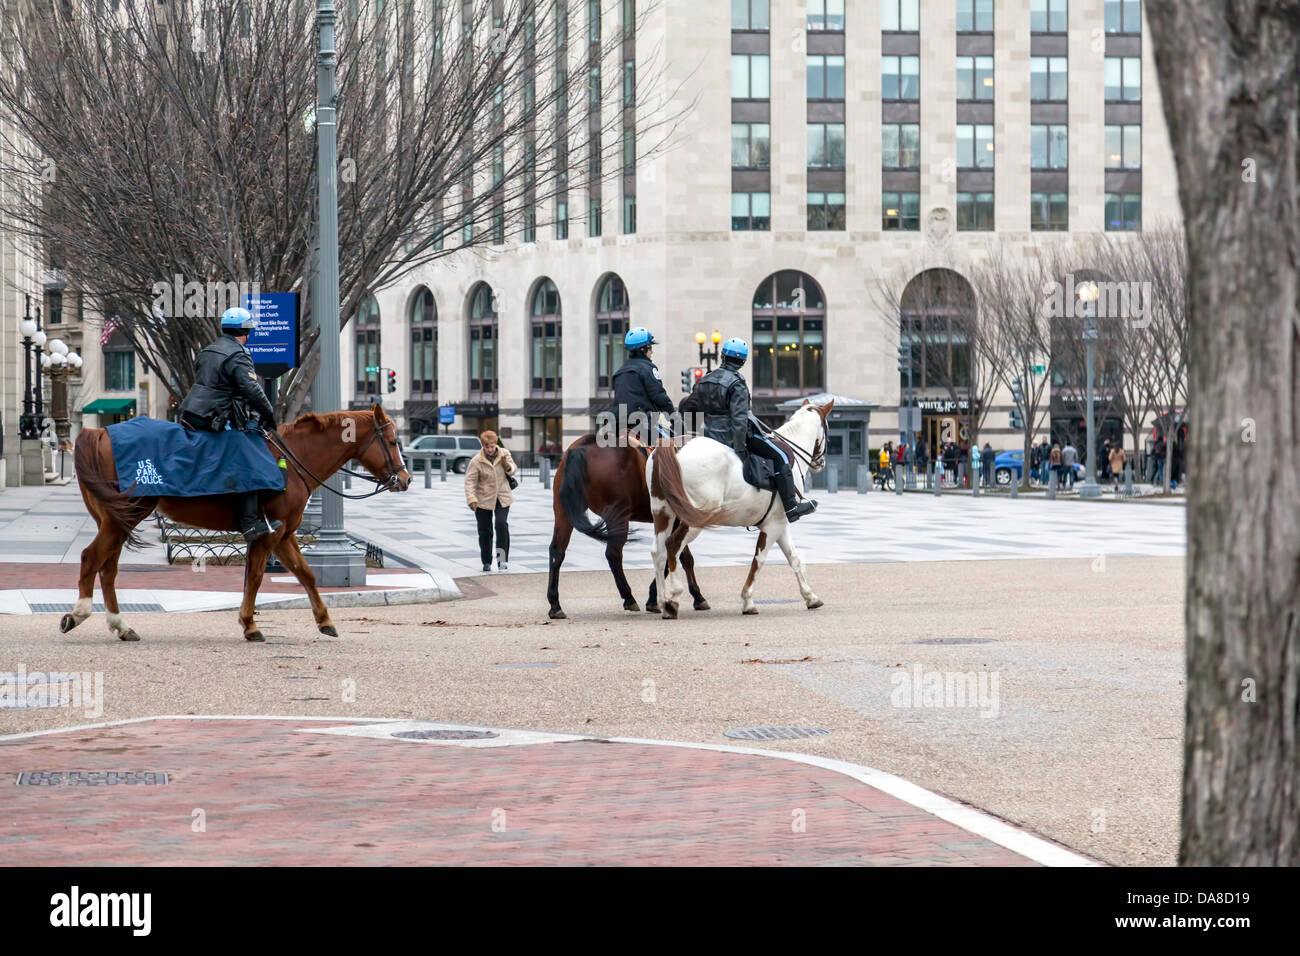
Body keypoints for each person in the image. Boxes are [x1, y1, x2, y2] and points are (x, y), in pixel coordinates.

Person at [682, 337, 817, 522]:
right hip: (732, 436)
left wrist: (695, 433)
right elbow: (739, 419)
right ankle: (792, 507)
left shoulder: (704, 381)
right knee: (781, 456)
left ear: (722, 356)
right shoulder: (737, 383)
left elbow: (689, 407)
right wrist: (740, 448)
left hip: (708, 434)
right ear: (743, 361)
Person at [177, 306, 282, 543]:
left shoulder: (207, 351)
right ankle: (249, 524)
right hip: (215, 417)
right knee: (250, 458)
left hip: (192, 413)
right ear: (246, 332)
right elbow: (251, 388)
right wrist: (269, 413)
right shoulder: (238, 353)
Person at [464, 430, 517, 572]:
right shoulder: (476, 460)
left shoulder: (504, 453)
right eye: (487, 447)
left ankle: (502, 561)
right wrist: (471, 498)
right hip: (483, 499)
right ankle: (486, 561)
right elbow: (470, 481)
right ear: (483, 446)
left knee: (501, 525)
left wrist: (507, 465)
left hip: (502, 496)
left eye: (492, 446)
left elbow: (513, 470)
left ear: (496, 443)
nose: (490, 449)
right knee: (485, 530)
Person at [612, 327, 675, 442]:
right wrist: (674, 418)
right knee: (672, 446)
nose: (652, 352)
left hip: (617, 422)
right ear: (643, 350)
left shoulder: (620, 371)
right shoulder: (648, 368)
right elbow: (659, 397)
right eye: (650, 348)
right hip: (641, 422)